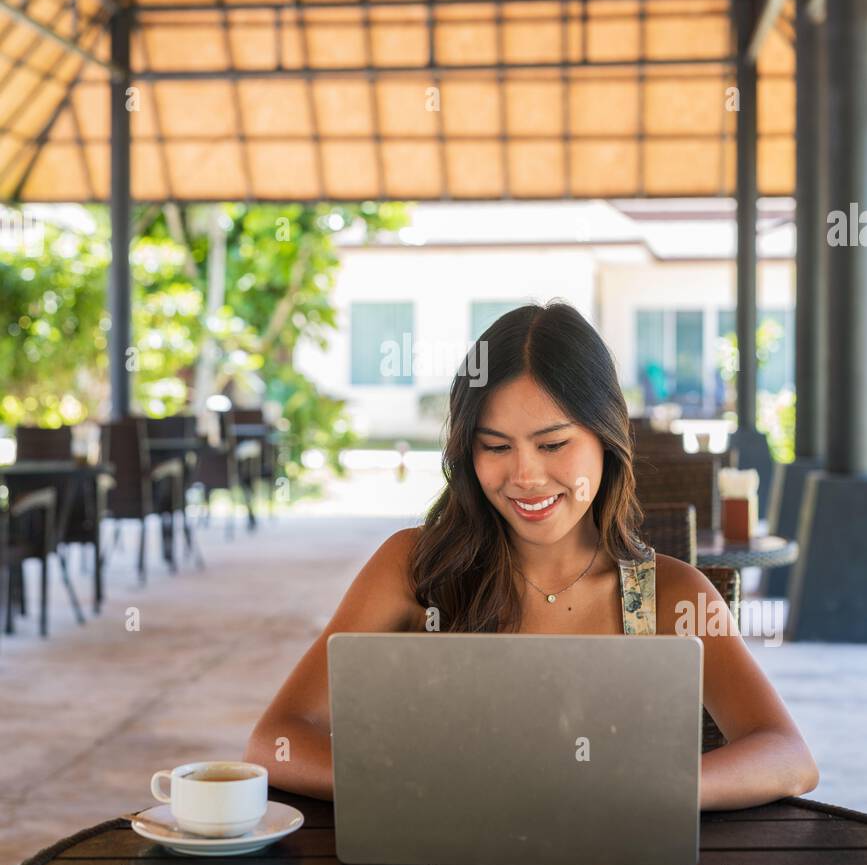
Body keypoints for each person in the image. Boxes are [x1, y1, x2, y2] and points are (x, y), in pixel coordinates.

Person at [245, 301, 819, 812]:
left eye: (552, 444)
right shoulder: (415, 569)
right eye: (495, 446)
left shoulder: (671, 596)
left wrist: (640, 792)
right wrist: (419, 785)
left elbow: (787, 756)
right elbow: (276, 740)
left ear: (606, 437)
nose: (524, 476)